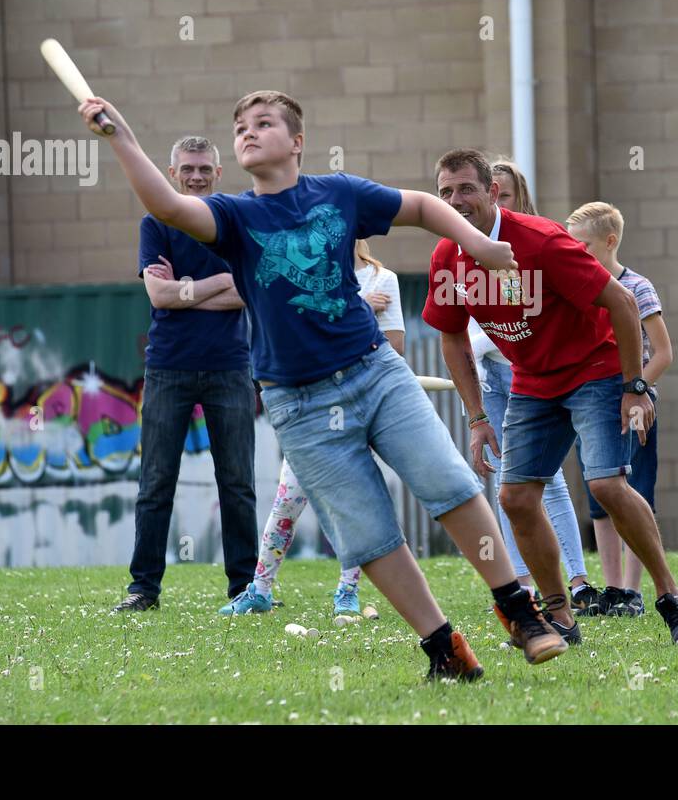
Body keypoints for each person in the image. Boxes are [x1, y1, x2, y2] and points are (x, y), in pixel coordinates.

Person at [79, 90, 568, 681]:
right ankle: (443, 648)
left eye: (264, 123)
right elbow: (168, 205)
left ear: (297, 141)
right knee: (366, 534)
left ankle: (519, 610)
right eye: (241, 127)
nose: (248, 132)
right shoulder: (234, 217)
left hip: (374, 371)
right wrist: (121, 138)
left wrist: (479, 242)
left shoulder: (337, 193)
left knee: (451, 484)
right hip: (298, 403)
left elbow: (417, 205)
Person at [425, 148, 678, 645]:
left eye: (465, 188)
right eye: (445, 192)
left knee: (605, 485)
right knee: (515, 497)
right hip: (533, 379)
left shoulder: (540, 240)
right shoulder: (448, 255)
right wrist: (475, 417)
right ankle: (561, 615)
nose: (455, 200)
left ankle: (672, 598)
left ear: (493, 192)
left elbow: (621, 301)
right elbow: (450, 335)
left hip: (595, 370)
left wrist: (633, 387)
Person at [112, 136, 258, 613]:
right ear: (172, 174)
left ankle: (244, 589)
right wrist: (219, 282)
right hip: (167, 367)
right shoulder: (156, 222)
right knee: (155, 482)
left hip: (230, 366)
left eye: (204, 169)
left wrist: (187, 288)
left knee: (236, 483)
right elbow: (159, 297)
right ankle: (143, 590)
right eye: (187, 170)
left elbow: (249, 292)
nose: (195, 177)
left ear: (219, 174)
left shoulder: (235, 220)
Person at [222, 239, 406, 616]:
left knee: (354, 502)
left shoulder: (382, 279)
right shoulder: (306, 280)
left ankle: (347, 592)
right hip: (311, 408)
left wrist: (346, 316)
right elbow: (299, 339)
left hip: (359, 407)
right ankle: (259, 589)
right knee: (288, 499)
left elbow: (394, 350)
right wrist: (357, 309)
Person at [475, 160, 598, 612]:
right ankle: (523, 582)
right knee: (510, 485)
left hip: (526, 368)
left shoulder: (530, 245)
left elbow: (519, 312)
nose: (491, 203)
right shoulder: (467, 249)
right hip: (490, 371)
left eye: (501, 195)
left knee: (548, 480)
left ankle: (578, 579)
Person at [566, 201, 673, 617]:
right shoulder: (576, 287)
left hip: (633, 401)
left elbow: (663, 352)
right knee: (599, 493)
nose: (577, 254)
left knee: (633, 489)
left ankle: (632, 590)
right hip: (590, 401)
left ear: (610, 242)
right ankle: (611, 587)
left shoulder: (637, 287)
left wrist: (638, 391)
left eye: (585, 246)